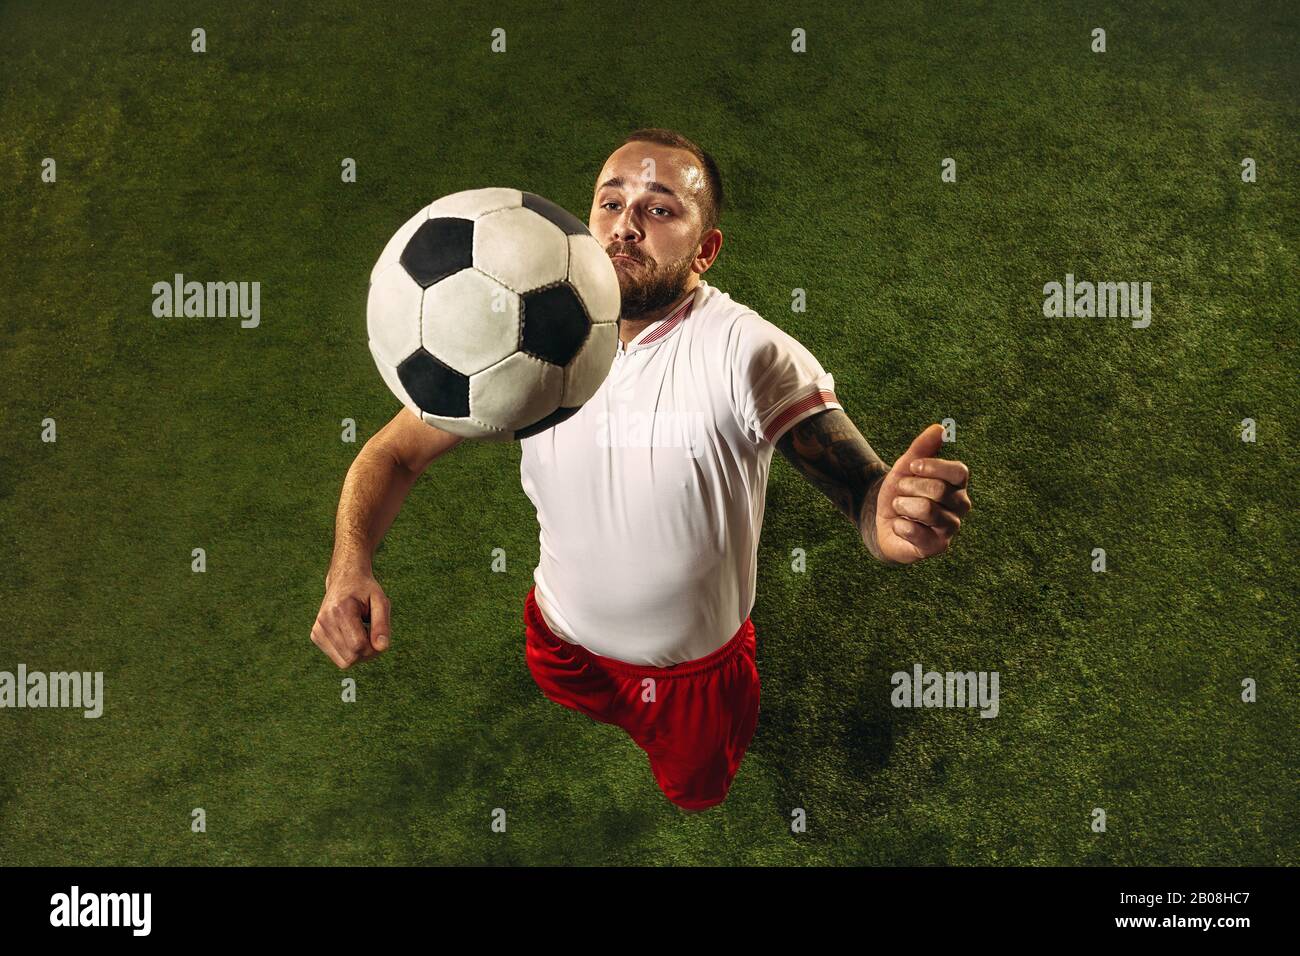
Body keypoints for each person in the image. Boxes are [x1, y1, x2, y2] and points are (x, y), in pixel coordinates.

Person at [312, 128, 972, 811]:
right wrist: (348, 566)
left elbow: (865, 492)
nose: (625, 225)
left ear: (705, 250)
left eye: (659, 209)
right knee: (566, 692)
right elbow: (392, 453)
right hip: (559, 640)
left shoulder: (747, 354)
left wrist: (885, 515)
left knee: (695, 790)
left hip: (692, 681)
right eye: (610, 202)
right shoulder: (522, 332)